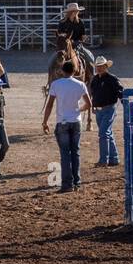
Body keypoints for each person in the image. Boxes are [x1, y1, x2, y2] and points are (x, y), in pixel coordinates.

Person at [42, 60, 91, 192]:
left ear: (62, 70)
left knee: (65, 154)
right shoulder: (80, 84)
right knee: (75, 152)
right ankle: (77, 182)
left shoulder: (56, 84)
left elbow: (50, 104)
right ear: (75, 71)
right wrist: (79, 110)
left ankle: (67, 184)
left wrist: (45, 121)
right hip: (76, 121)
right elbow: (88, 104)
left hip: (62, 121)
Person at [89, 56, 124, 167]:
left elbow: (120, 92)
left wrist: (125, 102)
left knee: (103, 133)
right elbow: (93, 93)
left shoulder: (112, 78)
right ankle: (114, 158)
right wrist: (93, 106)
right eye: (97, 66)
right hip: (99, 110)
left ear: (105, 66)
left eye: (101, 66)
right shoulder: (95, 79)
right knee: (107, 133)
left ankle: (104, 160)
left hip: (109, 108)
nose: (99, 68)